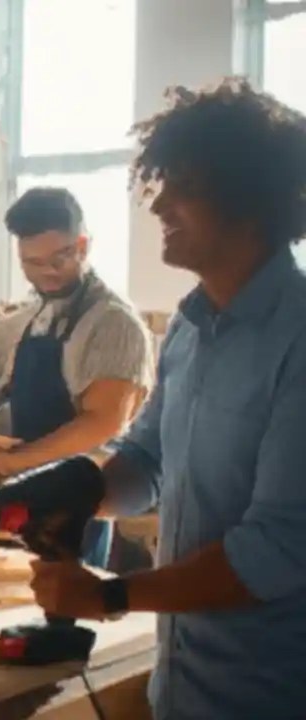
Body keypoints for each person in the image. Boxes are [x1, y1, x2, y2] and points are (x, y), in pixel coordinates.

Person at [28, 79, 306, 718]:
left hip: (267, 695)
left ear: (250, 200)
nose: (161, 206)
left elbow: (274, 550)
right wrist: (71, 497)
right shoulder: (188, 326)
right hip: (179, 687)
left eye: (186, 188)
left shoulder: (300, 342)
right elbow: (147, 461)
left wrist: (110, 597)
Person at [0, 187, 153, 568]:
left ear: (83, 245)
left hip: (72, 503)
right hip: (16, 498)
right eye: (32, 263)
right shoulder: (29, 319)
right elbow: (10, 401)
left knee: (63, 616)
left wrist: (18, 460)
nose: (47, 274)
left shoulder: (113, 324)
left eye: (59, 258)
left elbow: (103, 423)